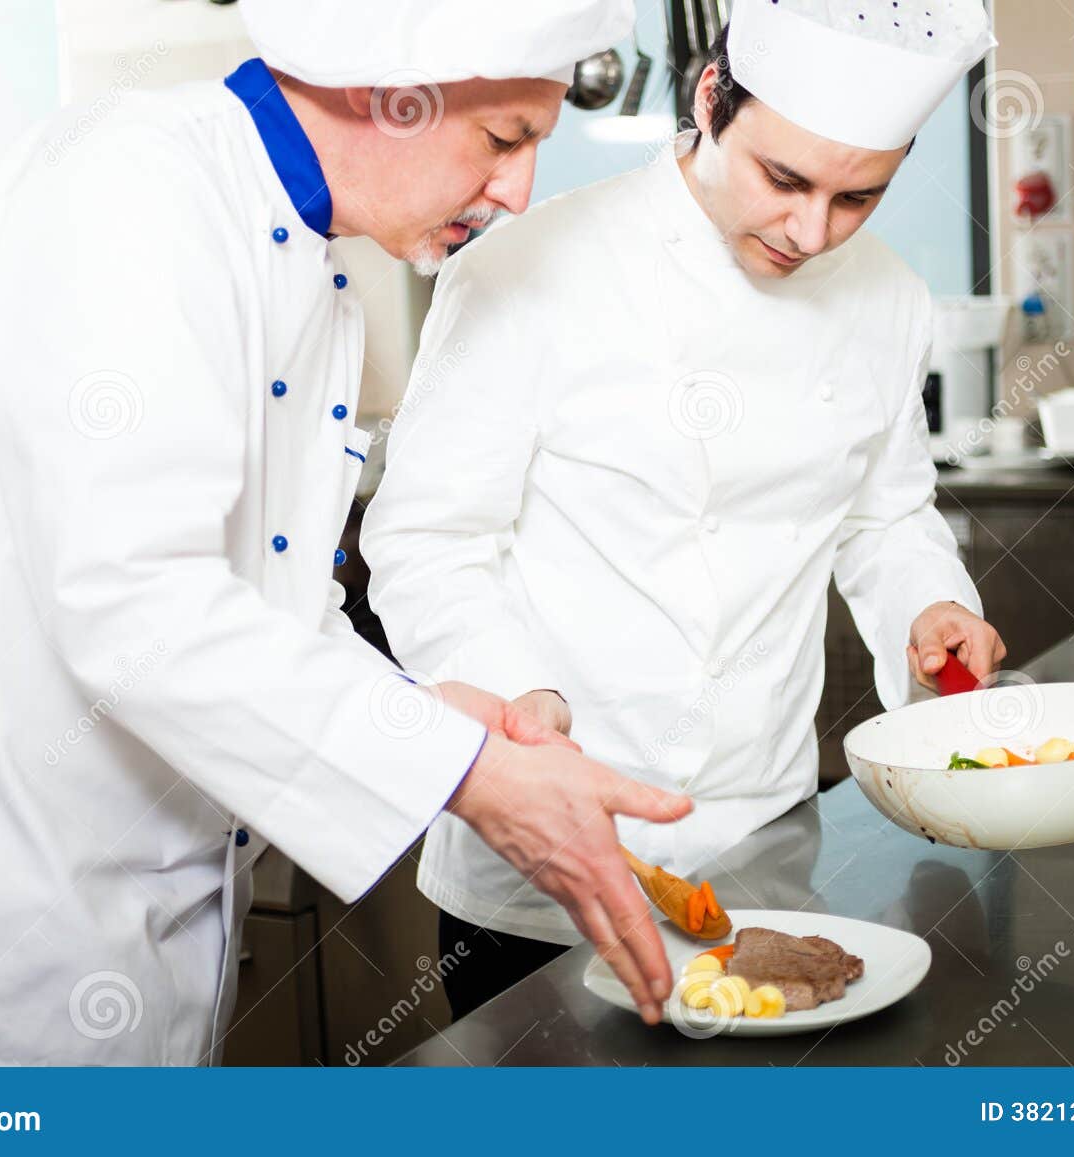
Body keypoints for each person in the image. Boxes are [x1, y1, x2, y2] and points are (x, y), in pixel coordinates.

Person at [0, 0, 692, 1066]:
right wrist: (462, 773)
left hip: (122, 930)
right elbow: (136, 602)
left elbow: (275, 604)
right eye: (504, 139)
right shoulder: (128, 191)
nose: (517, 192)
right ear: (380, 91)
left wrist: (429, 718)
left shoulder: (313, 255)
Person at [362, 0, 1005, 1018]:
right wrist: (514, 695)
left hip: (761, 841)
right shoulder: (527, 270)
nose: (809, 229)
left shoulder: (889, 297)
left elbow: (885, 518)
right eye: (782, 179)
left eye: (857, 197)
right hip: (540, 864)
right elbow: (427, 538)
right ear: (710, 100)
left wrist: (927, 608)